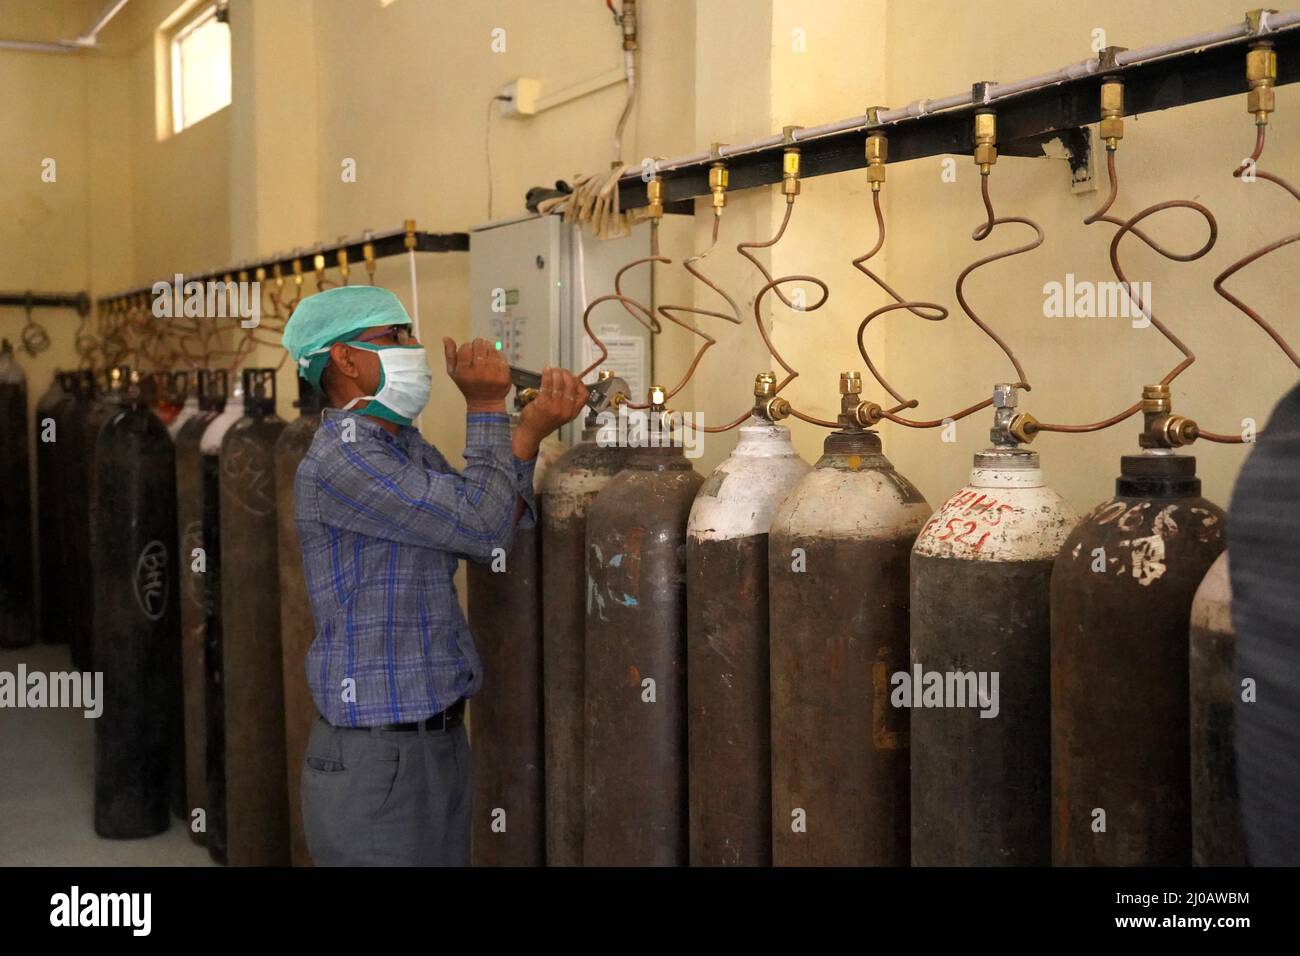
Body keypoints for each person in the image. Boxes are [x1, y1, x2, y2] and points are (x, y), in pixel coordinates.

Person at [281, 285, 587, 865]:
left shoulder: (401, 446)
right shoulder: (344, 457)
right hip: (378, 757)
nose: (414, 347)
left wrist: (522, 436)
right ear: (344, 360)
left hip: (433, 739)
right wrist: (492, 413)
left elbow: (491, 524)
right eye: (395, 337)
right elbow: (480, 524)